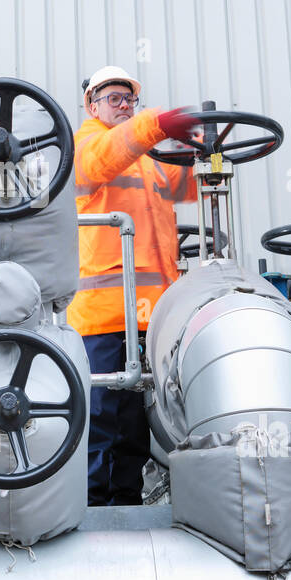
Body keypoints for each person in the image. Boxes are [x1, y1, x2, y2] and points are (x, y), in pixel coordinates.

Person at [66, 66, 201, 506]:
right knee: (100, 422)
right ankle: (90, 514)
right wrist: (157, 124)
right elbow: (103, 158)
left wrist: (196, 146)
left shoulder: (146, 158)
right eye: (114, 99)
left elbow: (186, 188)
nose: (124, 106)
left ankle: (126, 511)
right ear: (92, 105)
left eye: (130, 99)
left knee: (135, 428)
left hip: (155, 314)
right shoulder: (84, 145)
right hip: (103, 317)